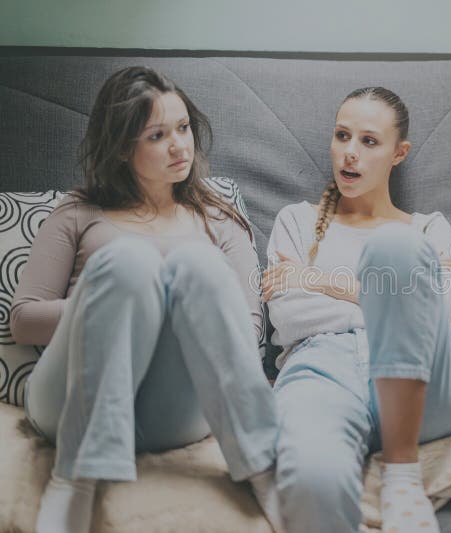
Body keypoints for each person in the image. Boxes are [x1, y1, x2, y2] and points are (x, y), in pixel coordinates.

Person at [11, 66, 280, 533]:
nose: (180, 145)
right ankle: (76, 477)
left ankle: (262, 467)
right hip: (73, 400)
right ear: (121, 146)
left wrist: (168, 302)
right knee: (129, 264)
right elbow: (24, 319)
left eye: (183, 128)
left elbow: (247, 327)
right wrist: (114, 303)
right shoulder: (77, 212)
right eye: (158, 135)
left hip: (174, 411)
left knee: (196, 267)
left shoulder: (219, 219)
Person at [261, 86, 451, 533]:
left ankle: (402, 472)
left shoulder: (429, 230)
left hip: (422, 378)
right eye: (341, 136)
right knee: (313, 478)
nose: (349, 154)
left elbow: (439, 309)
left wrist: (321, 281)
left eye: (369, 141)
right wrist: (390, 303)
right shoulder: (295, 221)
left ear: (399, 153)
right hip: (321, 368)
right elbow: (289, 317)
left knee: (397, 248)